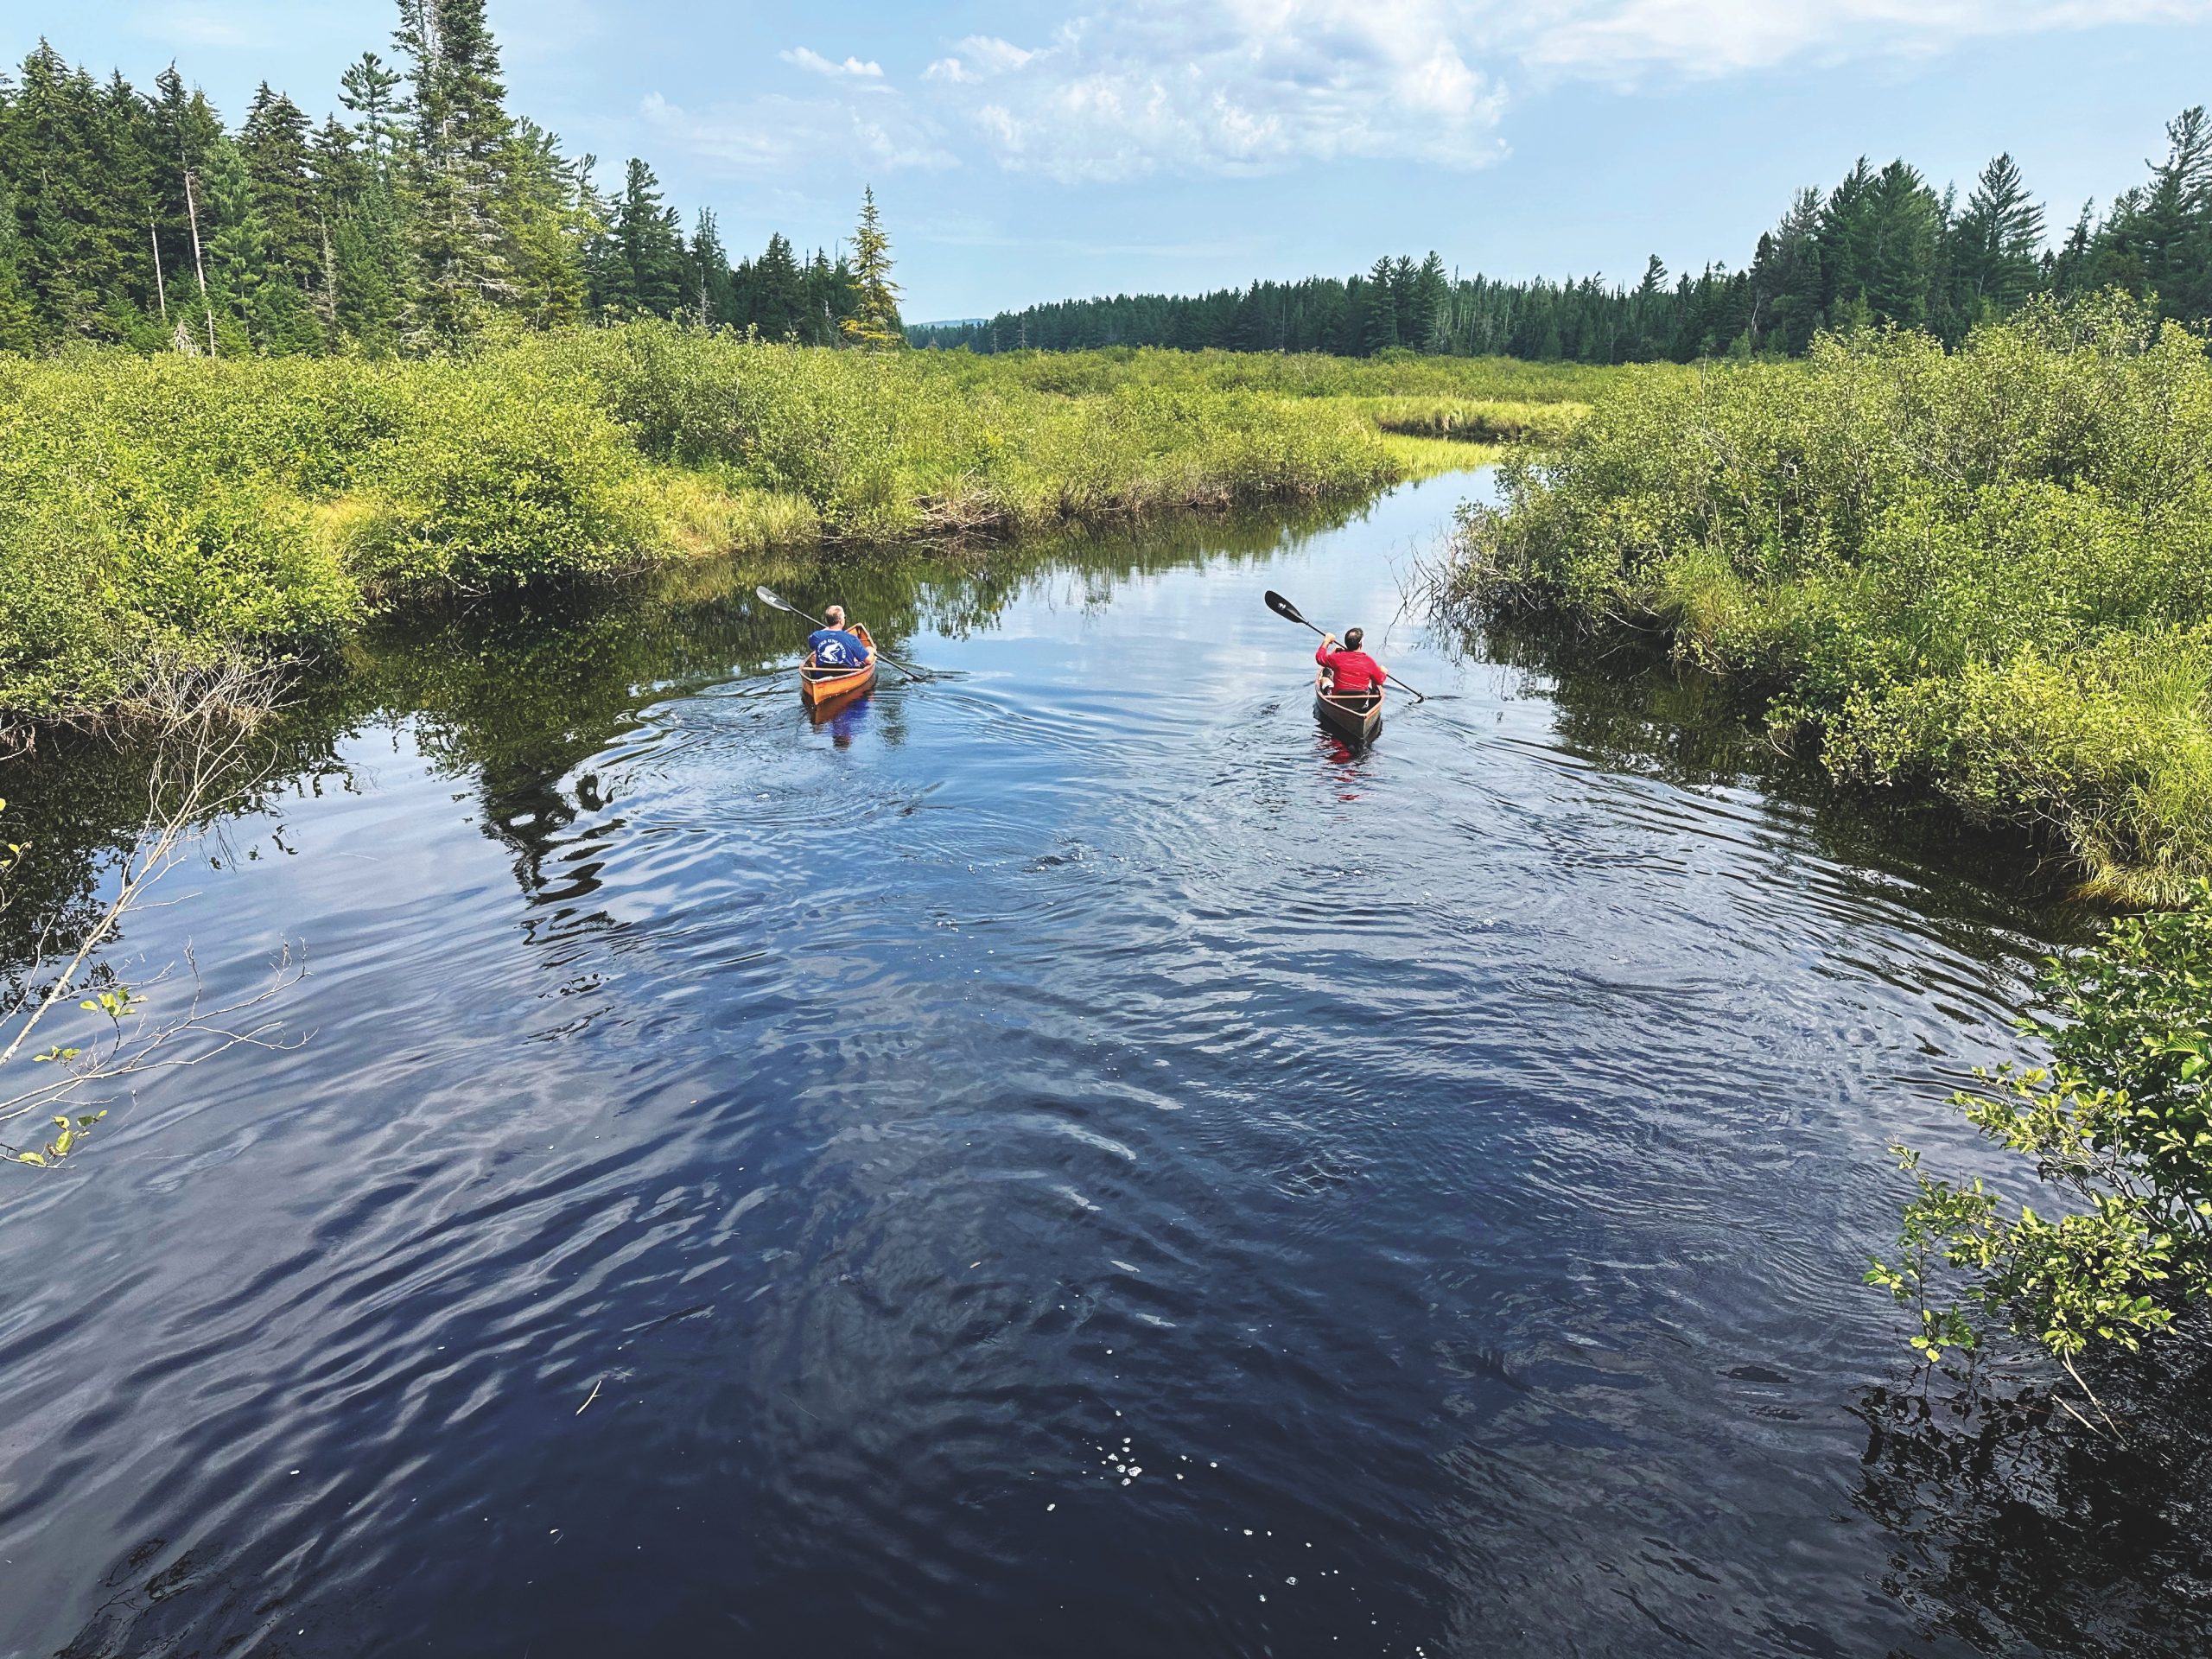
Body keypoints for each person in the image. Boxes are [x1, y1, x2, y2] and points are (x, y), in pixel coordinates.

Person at [1315, 626, 1389, 708]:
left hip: (1338, 701)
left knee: (1324, 678)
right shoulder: (1369, 661)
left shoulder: (1337, 658)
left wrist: (1327, 641)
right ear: (1360, 643)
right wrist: (1383, 672)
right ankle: (1367, 711)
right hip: (1361, 704)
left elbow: (1320, 658)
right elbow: (1380, 680)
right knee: (1373, 682)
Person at [807, 605, 872, 669]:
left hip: (821, 675)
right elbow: (868, 660)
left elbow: (810, 641)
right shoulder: (851, 639)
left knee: (813, 657)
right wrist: (871, 650)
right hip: (846, 675)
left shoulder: (816, 636)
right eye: (844, 617)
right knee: (867, 653)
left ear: (827, 621)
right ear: (841, 621)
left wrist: (828, 628)